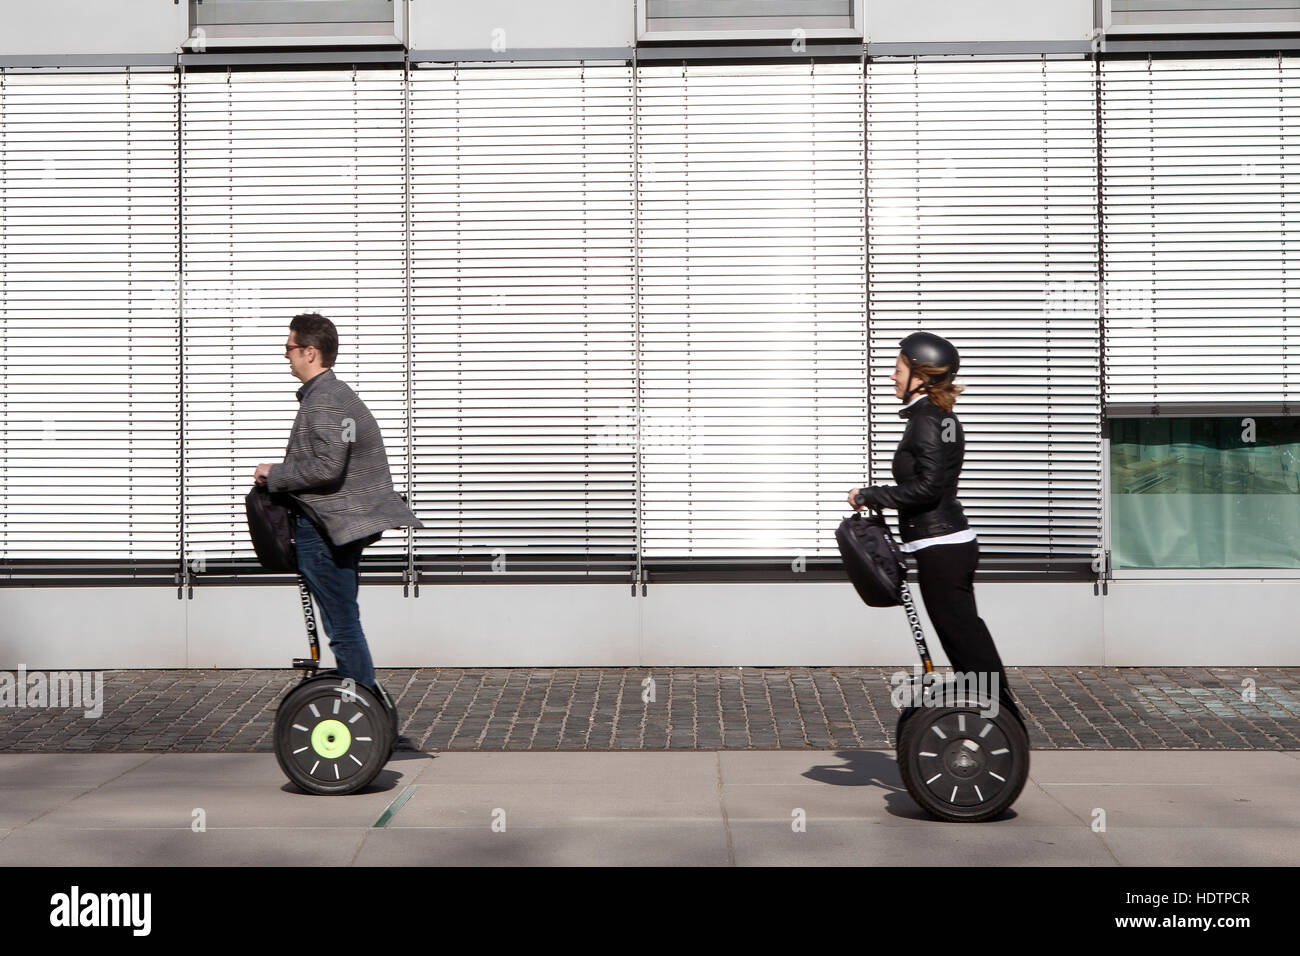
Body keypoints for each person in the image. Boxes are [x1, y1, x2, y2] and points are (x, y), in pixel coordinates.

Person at [848, 332, 1021, 720]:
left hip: (941, 546)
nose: (891, 377)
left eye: (897, 369)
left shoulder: (927, 420)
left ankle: (1000, 716)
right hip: (944, 545)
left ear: (921, 377)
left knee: (962, 638)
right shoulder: (937, 417)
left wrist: (870, 495)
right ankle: (994, 711)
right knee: (963, 634)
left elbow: (927, 488)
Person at [254, 312, 424, 695]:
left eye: (290, 348)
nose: (286, 356)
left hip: (322, 532)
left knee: (342, 625)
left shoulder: (326, 400)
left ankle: (362, 711)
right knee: (344, 621)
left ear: (310, 352)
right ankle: (368, 711)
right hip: (335, 530)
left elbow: (329, 467)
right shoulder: (332, 394)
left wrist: (274, 473)